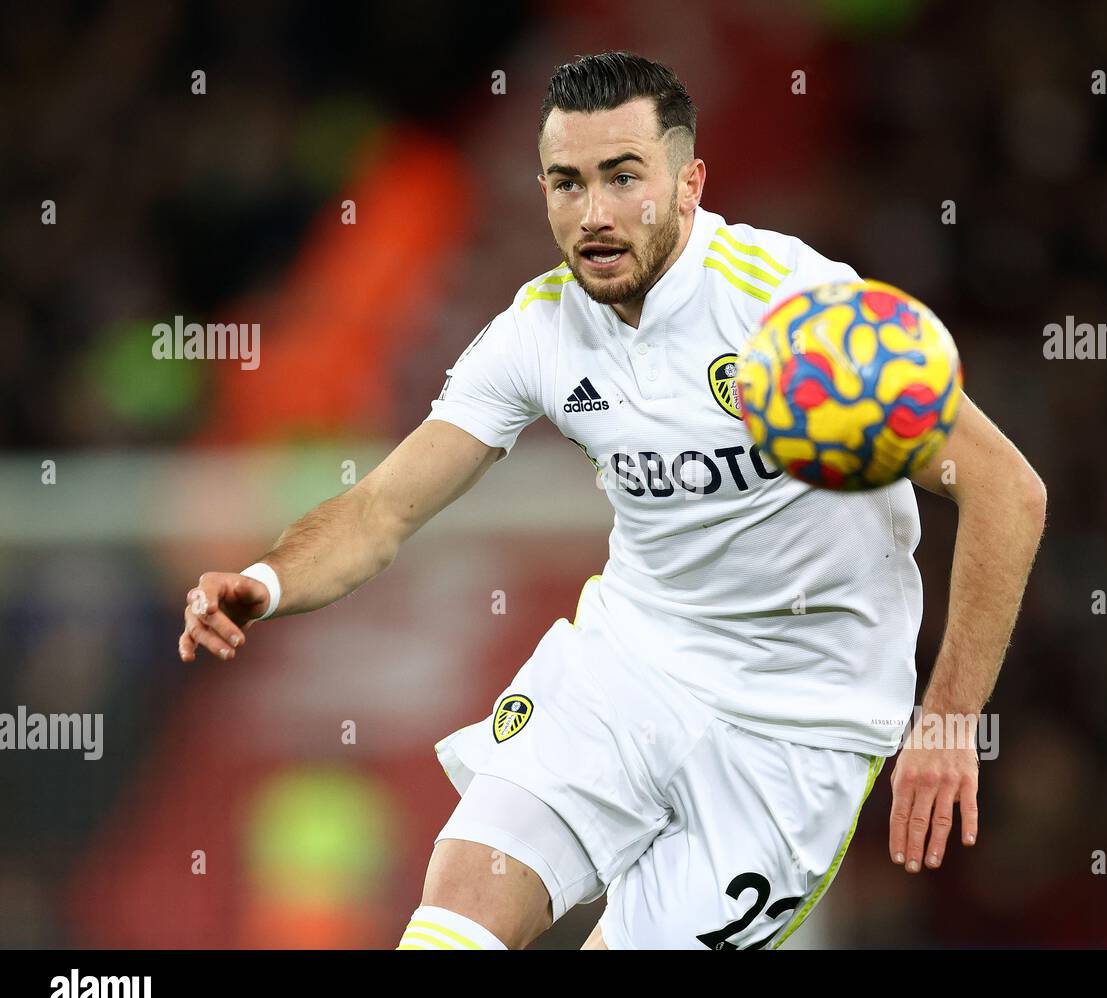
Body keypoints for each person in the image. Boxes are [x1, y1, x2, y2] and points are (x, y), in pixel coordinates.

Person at [178, 51, 1047, 950]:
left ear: (688, 184)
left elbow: (1006, 491)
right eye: (567, 183)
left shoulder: (796, 312)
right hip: (630, 671)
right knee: (460, 901)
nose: (591, 214)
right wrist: (267, 580)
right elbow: (382, 509)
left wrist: (946, 720)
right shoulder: (540, 332)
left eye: (622, 177)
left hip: (798, 723)